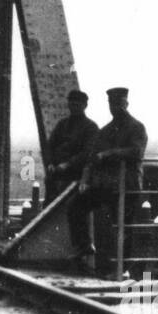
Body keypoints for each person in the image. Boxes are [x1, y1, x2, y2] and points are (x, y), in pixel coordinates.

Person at [79, 87, 148, 276]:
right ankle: (84, 249)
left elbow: (136, 152)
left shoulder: (137, 128)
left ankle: (122, 269)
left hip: (128, 186)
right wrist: (86, 178)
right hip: (107, 186)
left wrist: (109, 153)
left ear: (126, 104)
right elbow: (93, 156)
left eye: (119, 103)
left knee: (123, 227)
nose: (115, 108)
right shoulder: (106, 131)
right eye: (112, 104)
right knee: (77, 206)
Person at [45, 89, 101, 262]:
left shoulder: (91, 127)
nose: (74, 107)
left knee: (75, 207)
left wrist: (67, 164)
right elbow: (50, 146)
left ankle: (80, 245)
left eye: (78, 104)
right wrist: (51, 163)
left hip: (77, 176)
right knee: (50, 204)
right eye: (72, 103)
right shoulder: (62, 125)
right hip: (58, 175)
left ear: (85, 105)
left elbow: (87, 153)